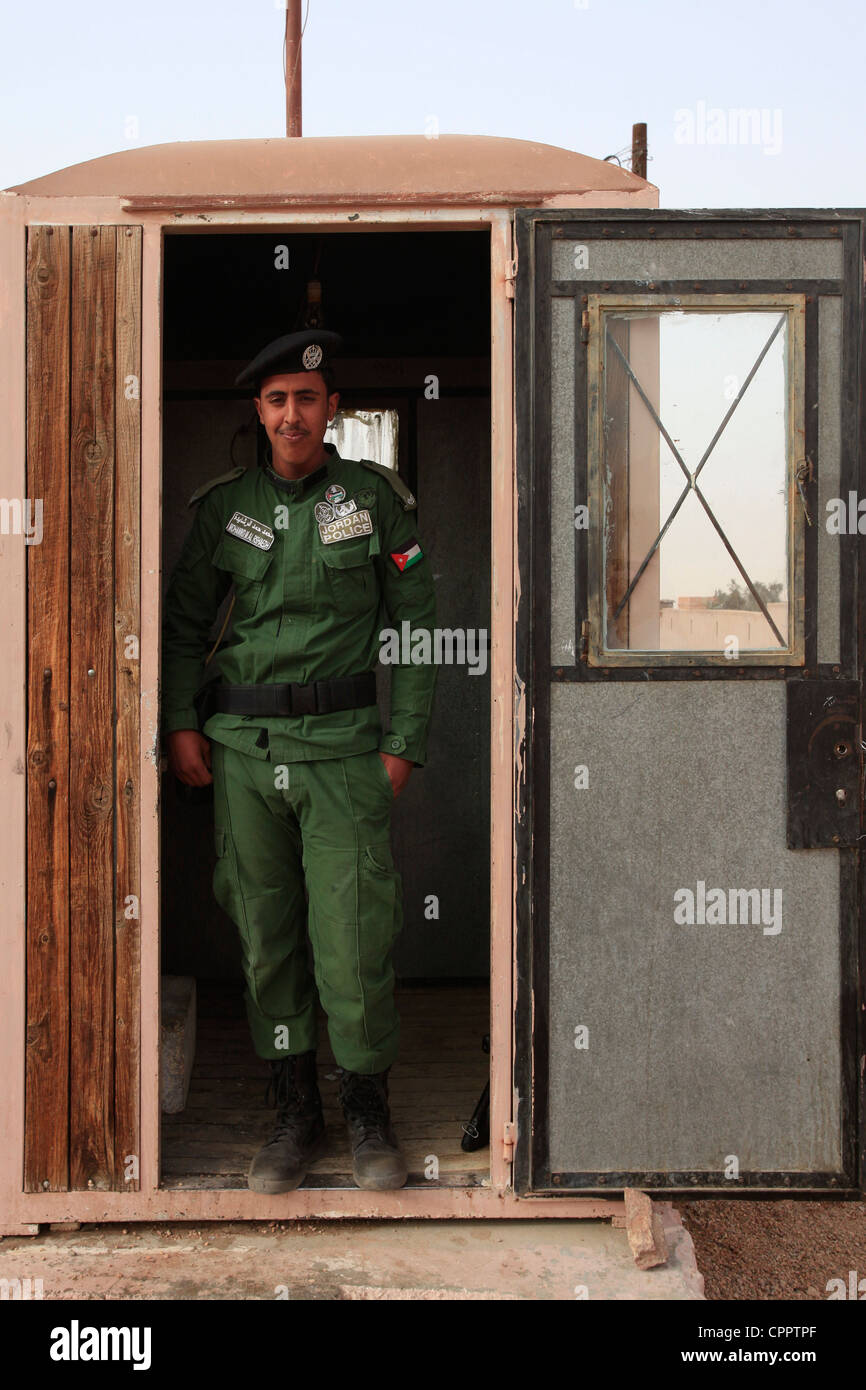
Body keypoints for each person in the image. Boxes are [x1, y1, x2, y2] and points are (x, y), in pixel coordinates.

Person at [161, 329, 438, 1193]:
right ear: (259, 410)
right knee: (266, 937)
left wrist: (405, 743)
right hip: (243, 755)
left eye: (307, 400)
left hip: (345, 754)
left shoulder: (374, 499)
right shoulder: (222, 508)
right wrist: (181, 725)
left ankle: (366, 1113)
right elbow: (179, 627)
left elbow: (419, 627)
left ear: (332, 410)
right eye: (277, 400)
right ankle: (293, 1113)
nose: (292, 414)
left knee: (353, 941)